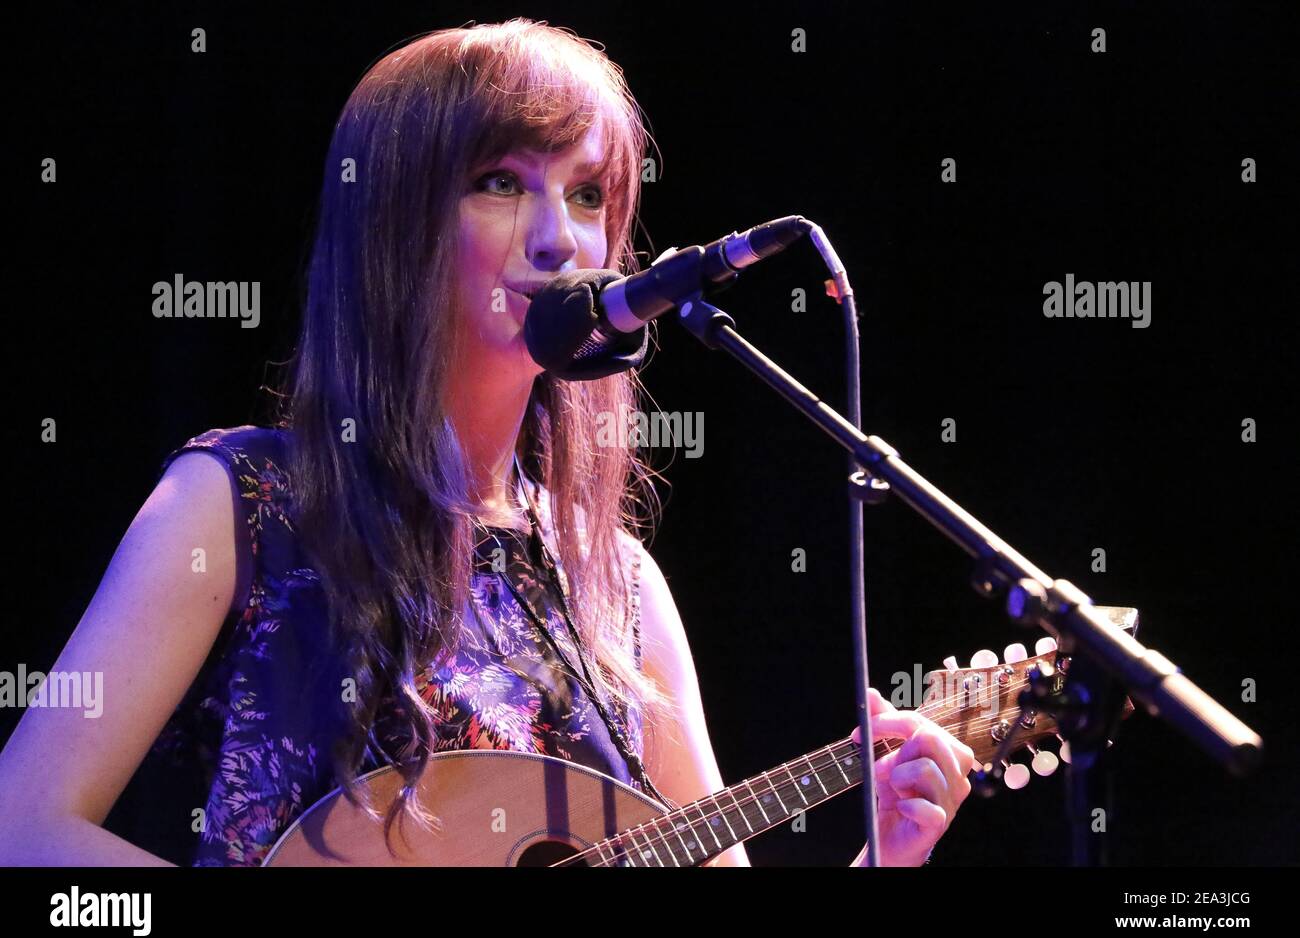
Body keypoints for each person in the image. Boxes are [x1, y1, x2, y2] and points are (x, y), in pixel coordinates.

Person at [0, 19, 975, 867]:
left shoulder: (619, 584)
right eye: (502, 182)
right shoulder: (242, 501)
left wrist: (879, 850)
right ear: (395, 224)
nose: (560, 240)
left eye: (589, 195)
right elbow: (23, 828)